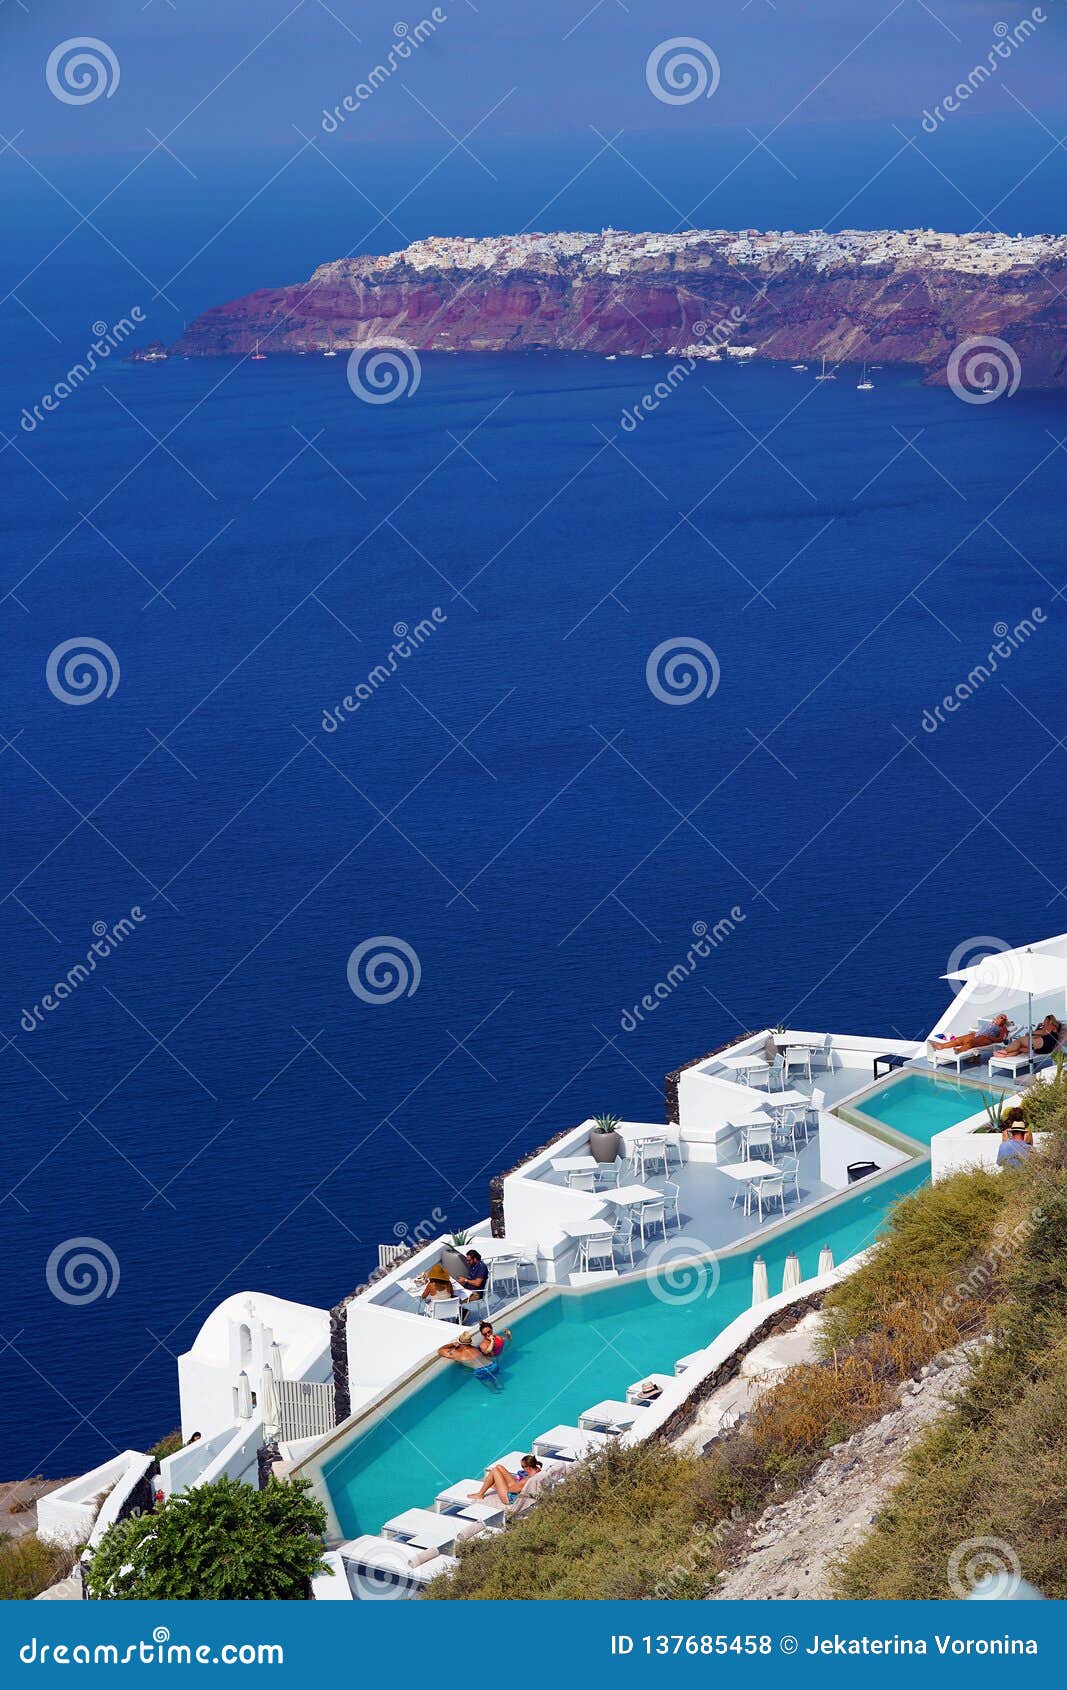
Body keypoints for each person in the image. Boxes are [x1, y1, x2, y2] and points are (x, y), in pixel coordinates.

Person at [468, 1453, 542, 1507]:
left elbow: (510, 1490)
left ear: (528, 1467)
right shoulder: (538, 1470)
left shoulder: (526, 1480)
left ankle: (480, 1494)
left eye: (523, 1466)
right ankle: (489, 1484)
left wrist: (498, 1485)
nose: (522, 1468)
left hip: (509, 1498)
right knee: (499, 1467)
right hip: (517, 1488)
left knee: (494, 1471)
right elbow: (517, 1486)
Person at [437, 1321, 512, 1367]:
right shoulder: (483, 1345)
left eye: (489, 1332)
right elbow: (488, 1352)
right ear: (482, 1334)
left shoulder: (498, 1337)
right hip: (492, 1361)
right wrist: (492, 1341)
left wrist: (509, 1335)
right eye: (485, 1334)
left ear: (492, 1330)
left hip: (498, 1358)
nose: (488, 1334)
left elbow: (507, 1340)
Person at [993, 1015, 1062, 1061]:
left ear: (1048, 1020)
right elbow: (1039, 1033)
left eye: (1045, 1019)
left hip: (1046, 1044)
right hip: (1043, 1047)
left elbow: (1044, 1033)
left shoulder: (1051, 1026)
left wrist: (1031, 1033)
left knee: (1019, 1041)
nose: (1043, 1021)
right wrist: (1038, 1027)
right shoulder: (1046, 1027)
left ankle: (1005, 1051)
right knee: (1020, 1048)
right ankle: (1005, 1055)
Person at [932, 1013, 1011, 1054]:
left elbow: (1000, 1039)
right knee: (958, 1040)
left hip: (987, 1039)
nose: (1003, 1020)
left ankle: (959, 1050)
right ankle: (942, 1046)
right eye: (1001, 1017)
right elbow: (982, 1029)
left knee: (971, 1043)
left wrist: (989, 1037)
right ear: (997, 1018)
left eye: (1004, 1019)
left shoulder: (1003, 1028)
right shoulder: (991, 1023)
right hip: (977, 1034)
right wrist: (976, 1033)